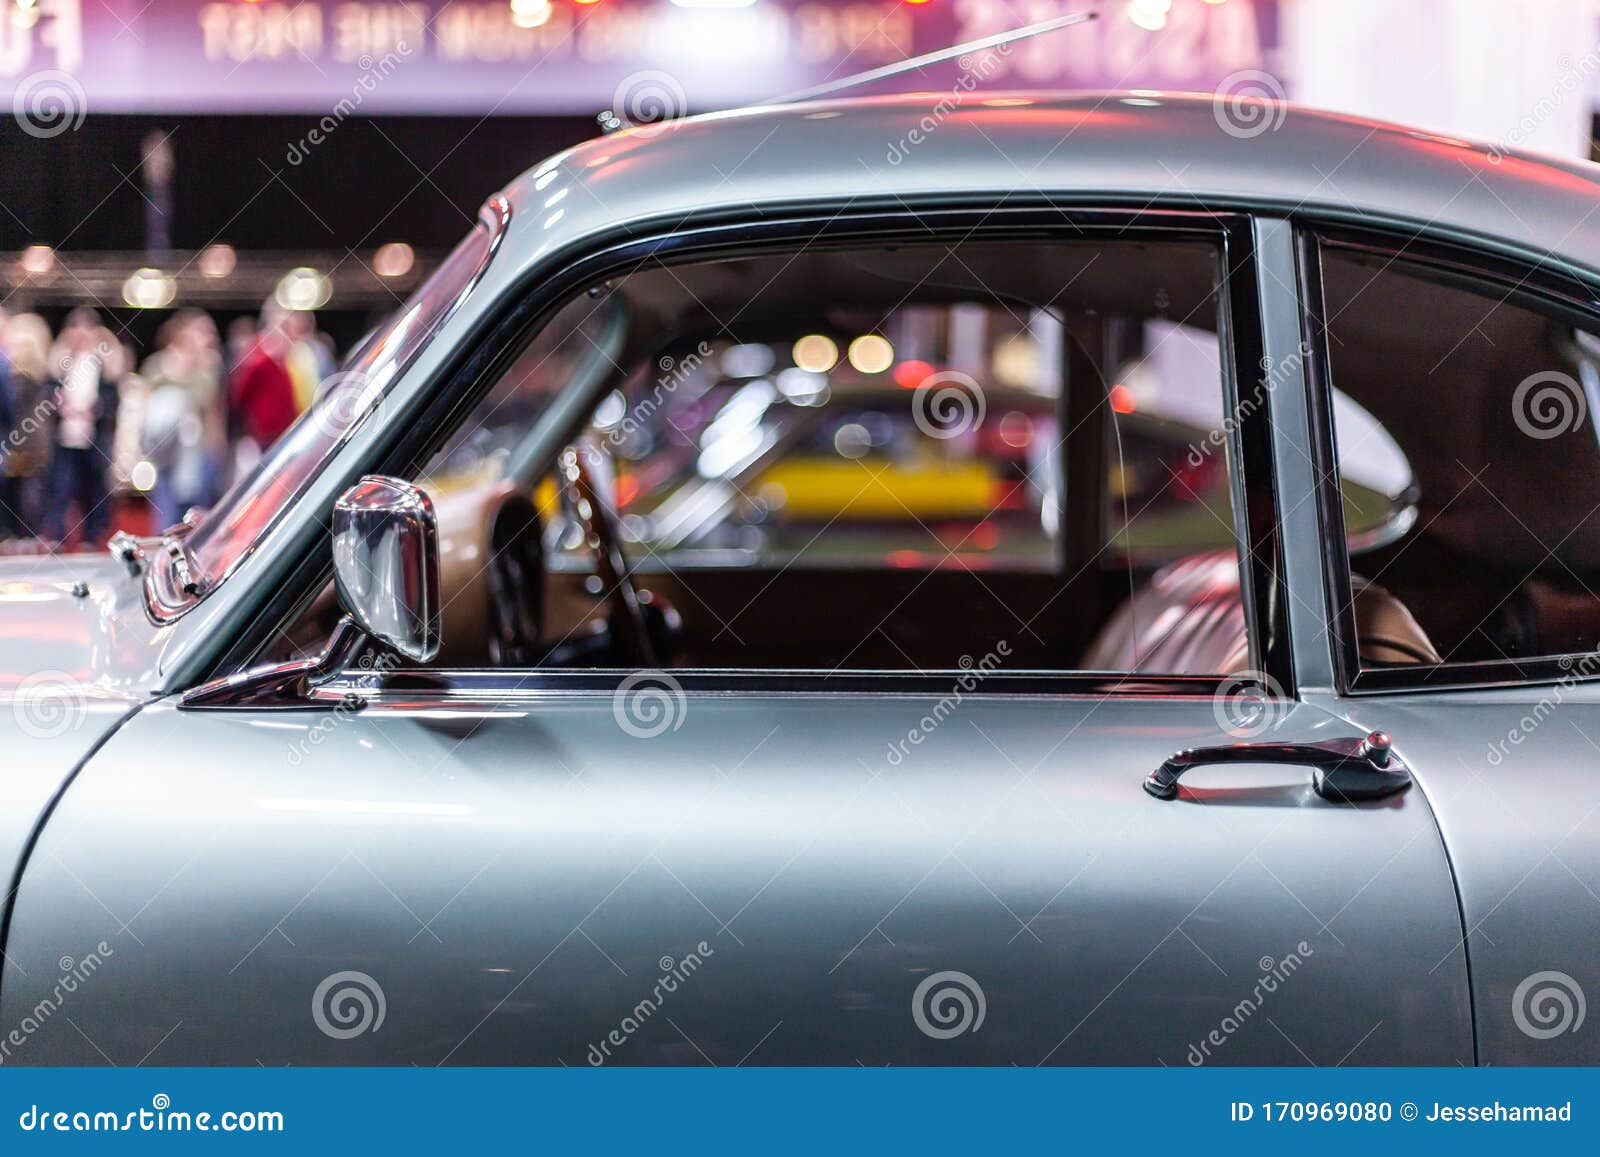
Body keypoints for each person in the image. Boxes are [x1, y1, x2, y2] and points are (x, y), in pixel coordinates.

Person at [140, 311, 223, 529]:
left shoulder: (207, 369)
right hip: (167, 450)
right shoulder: (157, 365)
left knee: (197, 510)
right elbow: (146, 399)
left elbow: (209, 403)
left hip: (199, 449)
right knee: (167, 508)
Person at [44, 309, 120, 547]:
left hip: (93, 438)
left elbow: (112, 398)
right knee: (61, 487)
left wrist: (96, 409)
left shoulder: (103, 365)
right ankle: (57, 535)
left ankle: (91, 535)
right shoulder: (60, 363)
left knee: (93, 488)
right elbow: (46, 393)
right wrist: (59, 404)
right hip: (64, 438)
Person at [1, 313, 54, 538]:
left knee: (22, 492)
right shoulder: (43, 375)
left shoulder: (18, 378)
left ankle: (20, 534)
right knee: (28, 490)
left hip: (22, 440)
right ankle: (27, 534)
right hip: (31, 439)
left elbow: (13, 412)